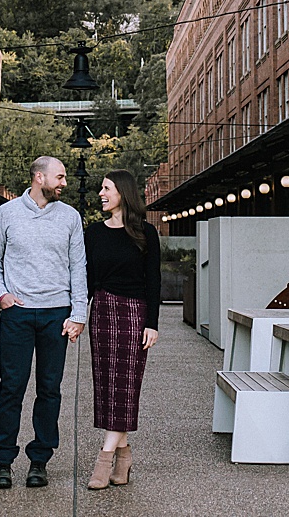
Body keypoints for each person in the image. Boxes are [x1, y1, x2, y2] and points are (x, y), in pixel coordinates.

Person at [0, 155, 87, 490]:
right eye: (60, 177)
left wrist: (79, 313)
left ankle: (39, 459)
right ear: (39, 177)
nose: (64, 183)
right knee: (11, 386)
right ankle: (2, 461)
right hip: (18, 313)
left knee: (49, 388)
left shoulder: (70, 216)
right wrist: (1, 294)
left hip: (57, 313)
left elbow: (78, 268)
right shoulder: (7, 213)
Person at [82, 168, 160, 490]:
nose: (101, 193)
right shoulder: (94, 233)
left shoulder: (146, 232)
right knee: (106, 386)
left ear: (123, 193)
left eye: (106, 188)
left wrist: (152, 324)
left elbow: (153, 281)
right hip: (101, 311)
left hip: (134, 314)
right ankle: (124, 456)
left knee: (126, 385)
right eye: (101, 188)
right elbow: (86, 279)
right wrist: (77, 315)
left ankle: (105, 458)